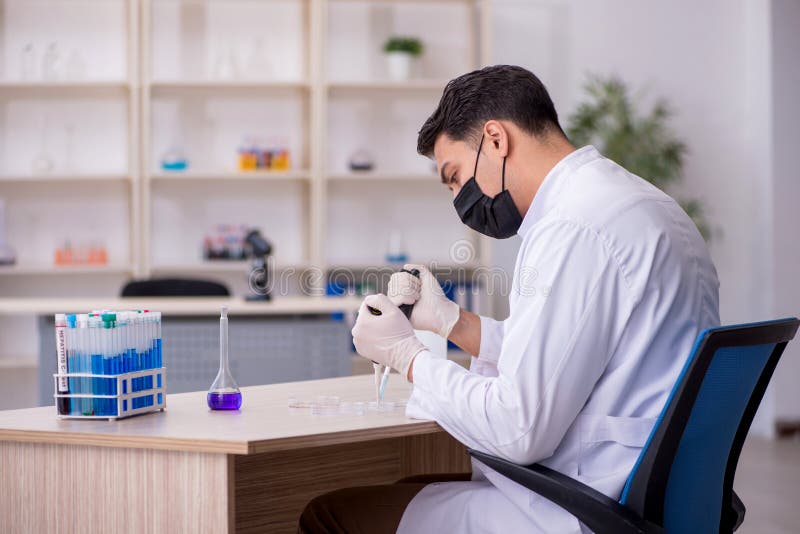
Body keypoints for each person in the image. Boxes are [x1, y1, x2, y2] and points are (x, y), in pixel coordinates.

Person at [298, 65, 720, 533]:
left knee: (329, 514)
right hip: (652, 500)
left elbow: (519, 430)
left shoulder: (572, 227)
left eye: (455, 176)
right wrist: (451, 322)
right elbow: (571, 353)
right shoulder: (642, 204)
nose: (459, 199)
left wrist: (408, 356)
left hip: (587, 507)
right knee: (415, 483)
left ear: (496, 140)